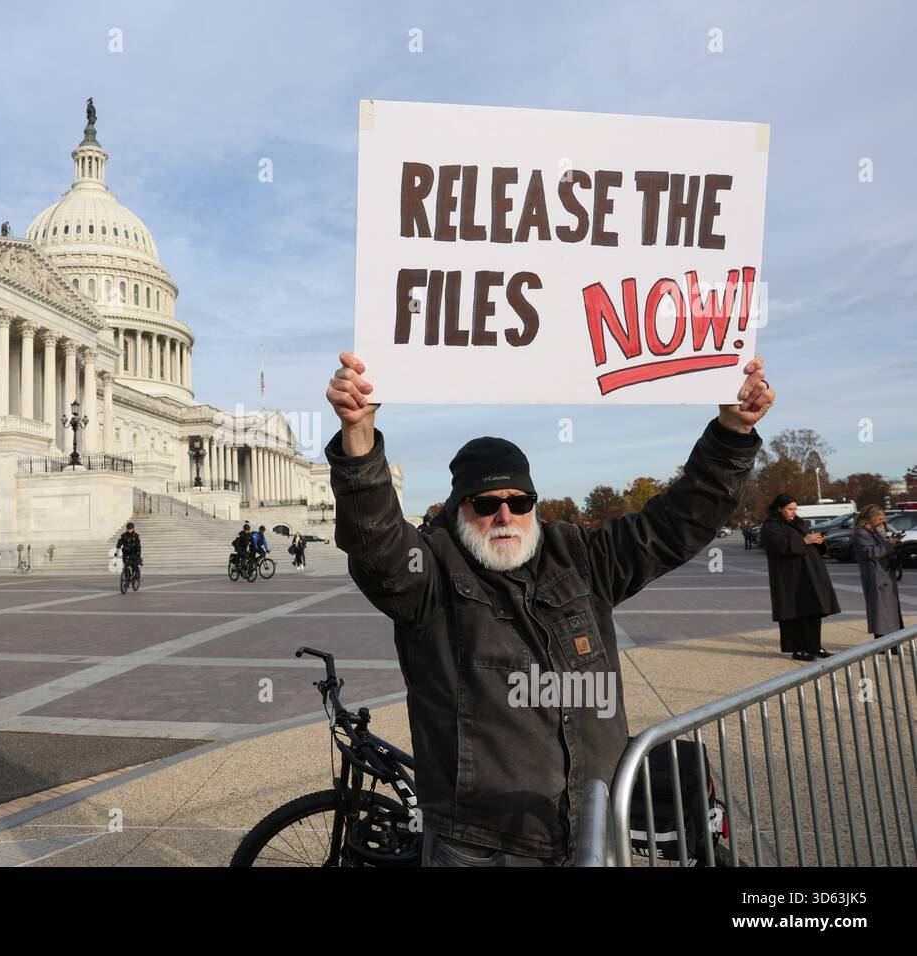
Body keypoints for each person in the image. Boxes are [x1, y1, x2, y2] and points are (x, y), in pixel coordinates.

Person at [324, 350, 772, 867]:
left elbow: (673, 526)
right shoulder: (428, 574)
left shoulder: (579, 555)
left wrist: (731, 434)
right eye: (486, 503)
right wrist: (358, 434)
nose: (505, 514)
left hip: (593, 828)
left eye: (520, 500)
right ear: (458, 508)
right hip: (483, 846)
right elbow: (374, 541)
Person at [760, 494, 840, 661]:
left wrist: (817, 540)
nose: (793, 512)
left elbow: (805, 541)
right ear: (779, 509)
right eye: (790, 509)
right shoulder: (771, 527)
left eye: (795, 509)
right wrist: (804, 540)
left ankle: (814, 646)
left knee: (813, 610)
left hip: (809, 574)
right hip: (790, 577)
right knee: (794, 612)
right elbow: (781, 547)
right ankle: (797, 649)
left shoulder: (797, 522)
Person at [850, 504, 905, 652]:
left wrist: (892, 544)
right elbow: (870, 552)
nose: (882, 521)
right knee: (880, 611)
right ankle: (883, 643)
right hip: (876, 576)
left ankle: (891, 642)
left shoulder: (872, 531)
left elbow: (879, 548)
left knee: (888, 610)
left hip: (884, 574)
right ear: (871, 518)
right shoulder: (860, 533)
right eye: (879, 518)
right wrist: (889, 545)